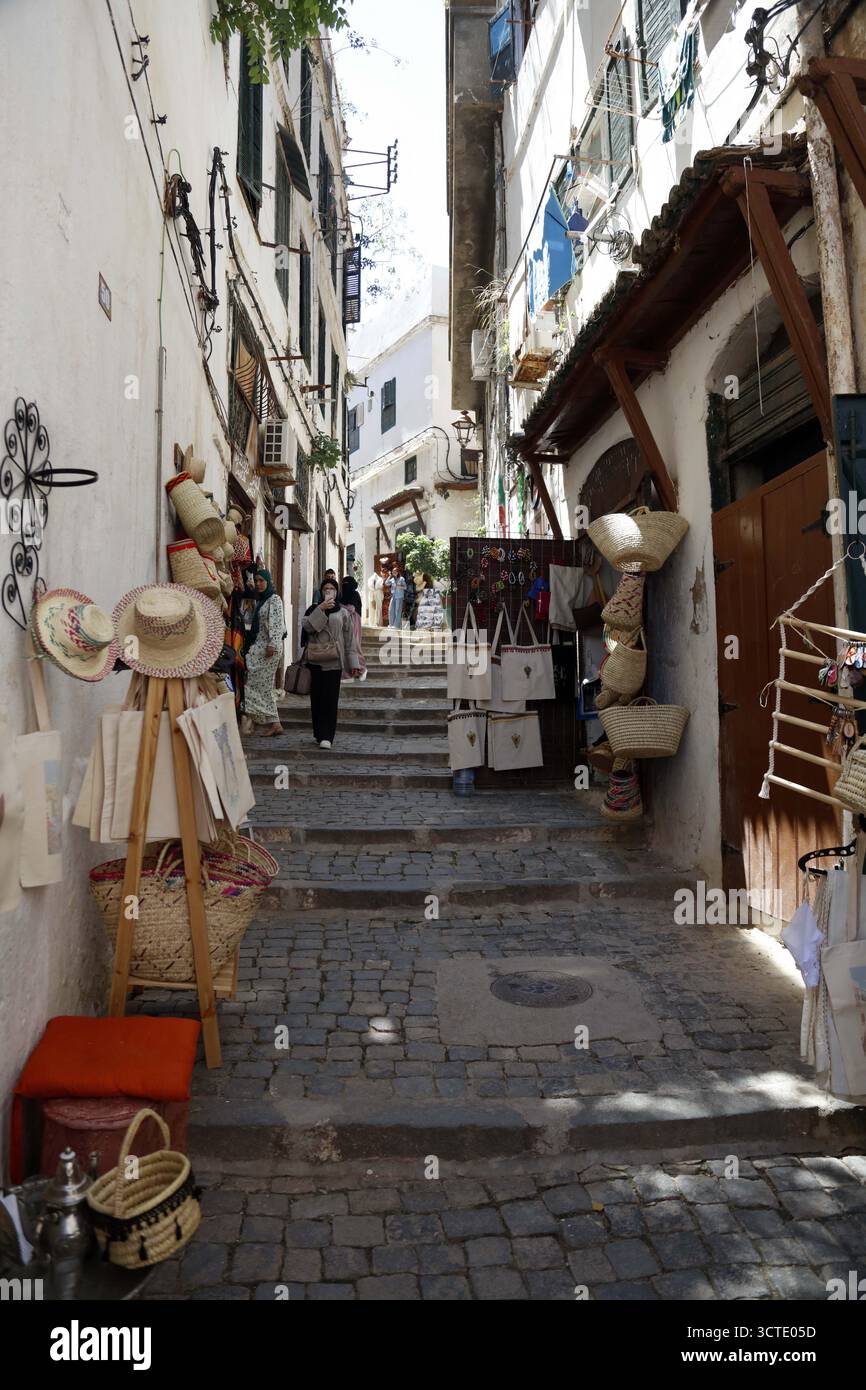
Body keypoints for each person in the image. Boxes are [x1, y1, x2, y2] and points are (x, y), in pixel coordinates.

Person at [301, 577, 362, 748]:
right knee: (317, 698)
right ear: (321, 592)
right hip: (315, 659)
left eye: (332, 588)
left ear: (337, 592)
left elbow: (350, 640)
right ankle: (319, 732)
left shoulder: (342, 613)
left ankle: (328, 736)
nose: (328, 591)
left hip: (334, 661)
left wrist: (354, 664)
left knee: (330, 698)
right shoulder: (313, 609)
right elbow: (308, 627)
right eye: (325, 588)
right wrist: (320, 609)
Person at [244, 568, 286, 736]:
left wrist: (273, 645)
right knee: (262, 685)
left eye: (262, 580)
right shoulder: (262, 600)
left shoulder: (274, 599)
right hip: (261, 647)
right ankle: (275, 723)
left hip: (269, 648)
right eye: (257, 580)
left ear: (268, 582)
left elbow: (277, 624)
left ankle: (263, 719)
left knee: (257, 684)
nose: (259, 584)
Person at [340, 575, 367, 681]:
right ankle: (352, 669)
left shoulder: (355, 594)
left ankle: (360, 668)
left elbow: (351, 608)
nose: (345, 586)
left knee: (355, 645)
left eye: (347, 584)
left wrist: (339, 605)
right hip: (346, 622)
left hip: (354, 621)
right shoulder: (343, 595)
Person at [386, 563, 407, 628]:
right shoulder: (392, 579)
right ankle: (391, 624)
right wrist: (389, 576)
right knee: (391, 609)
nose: (393, 572)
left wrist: (398, 586)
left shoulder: (401, 579)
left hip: (399, 596)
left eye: (395, 571)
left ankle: (396, 625)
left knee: (397, 610)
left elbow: (405, 587)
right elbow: (386, 583)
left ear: (398, 572)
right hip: (393, 596)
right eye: (393, 572)